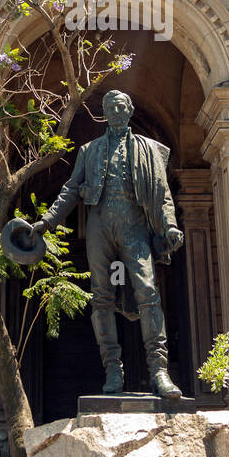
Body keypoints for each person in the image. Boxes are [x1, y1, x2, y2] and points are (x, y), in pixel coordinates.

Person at [31, 90, 184, 398]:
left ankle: (159, 372)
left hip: (135, 227)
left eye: (120, 106)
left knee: (148, 294)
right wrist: (47, 221)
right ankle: (113, 371)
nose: (115, 110)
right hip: (99, 227)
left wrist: (169, 225)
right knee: (101, 298)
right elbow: (71, 190)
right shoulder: (90, 150)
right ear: (104, 113)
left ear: (129, 111)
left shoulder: (150, 150)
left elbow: (162, 192)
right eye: (110, 107)